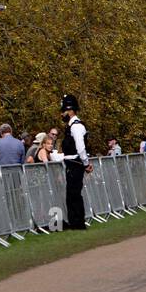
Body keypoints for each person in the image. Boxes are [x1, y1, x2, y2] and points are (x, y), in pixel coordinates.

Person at [59, 94, 91, 231]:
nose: (62, 114)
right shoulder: (71, 126)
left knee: (74, 194)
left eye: (64, 111)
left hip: (75, 164)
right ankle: (75, 222)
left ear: (71, 110)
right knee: (72, 194)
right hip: (72, 163)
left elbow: (80, 147)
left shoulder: (76, 127)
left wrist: (86, 163)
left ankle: (78, 223)